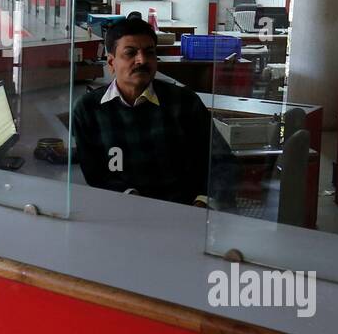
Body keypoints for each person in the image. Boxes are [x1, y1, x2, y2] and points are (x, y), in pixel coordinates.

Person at [71, 12, 233, 206]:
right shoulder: (88, 110)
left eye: (149, 52)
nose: (142, 60)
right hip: (123, 211)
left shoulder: (184, 102)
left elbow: (222, 162)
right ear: (111, 63)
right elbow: (95, 172)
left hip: (185, 211)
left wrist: (203, 201)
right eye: (130, 53)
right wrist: (130, 200)